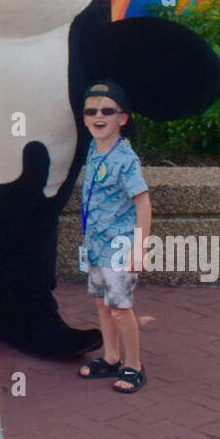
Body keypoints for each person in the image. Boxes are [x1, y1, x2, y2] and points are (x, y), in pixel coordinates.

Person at [75, 81, 151, 393]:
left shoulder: (126, 159)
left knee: (120, 308)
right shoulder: (94, 148)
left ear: (123, 118)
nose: (98, 116)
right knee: (102, 304)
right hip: (95, 245)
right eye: (91, 111)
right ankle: (111, 356)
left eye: (108, 110)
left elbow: (143, 202)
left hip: (119, 247)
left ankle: (134, 365)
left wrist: (140, 248)